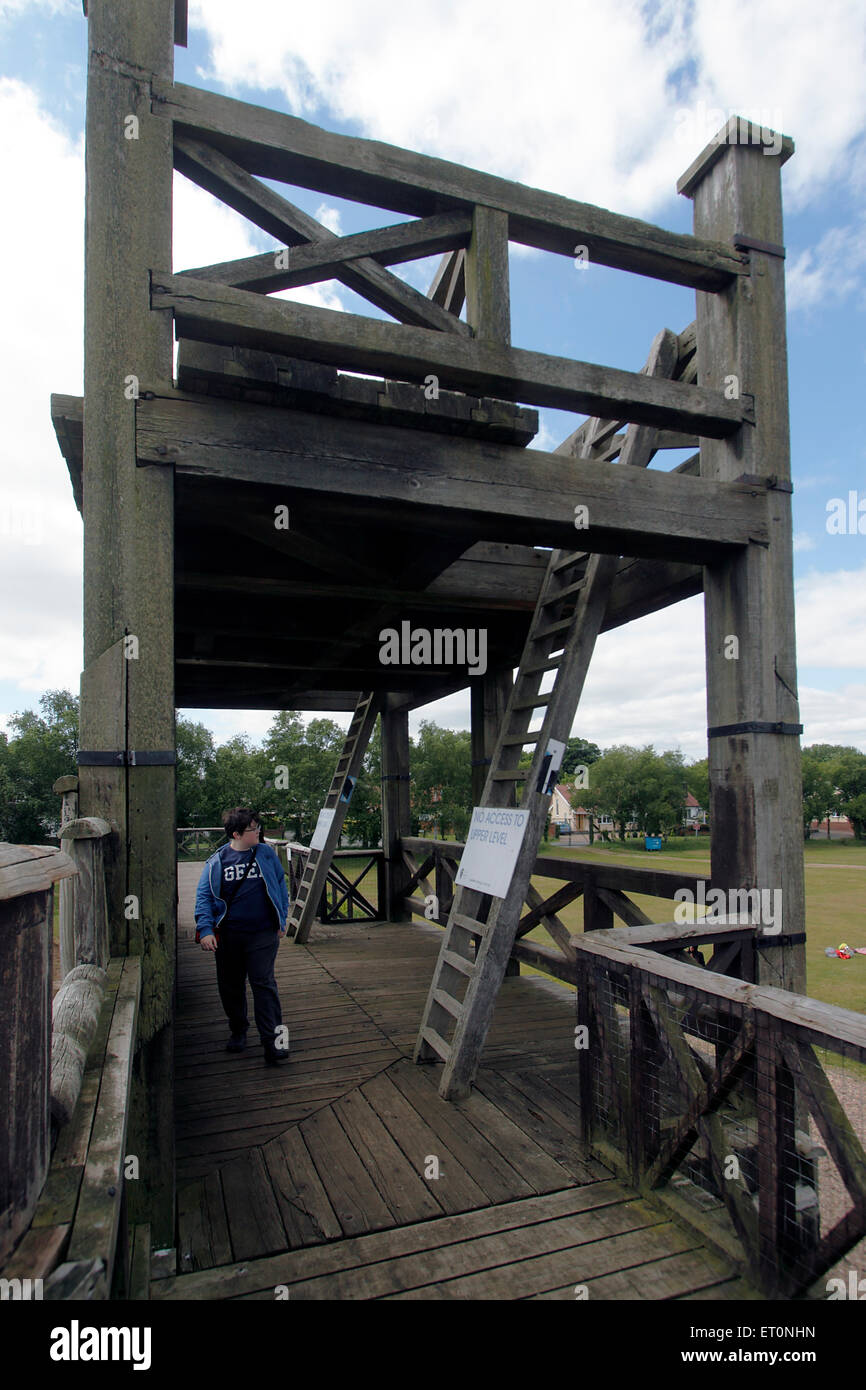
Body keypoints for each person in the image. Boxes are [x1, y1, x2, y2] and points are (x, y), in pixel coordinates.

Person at [194, 808, 290, 1066]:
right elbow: (203, 898)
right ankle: (238, 1030)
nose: (258, 831)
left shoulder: (266, 854)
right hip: (229, 936)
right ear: (236, 834)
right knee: (231, 985)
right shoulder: (217, 862)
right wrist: (205, 930)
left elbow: (280, 884)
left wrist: (282, 918)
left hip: (263, 934)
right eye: (252, 829)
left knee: (264, 984)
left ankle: (273, 1042)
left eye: (258, 826)